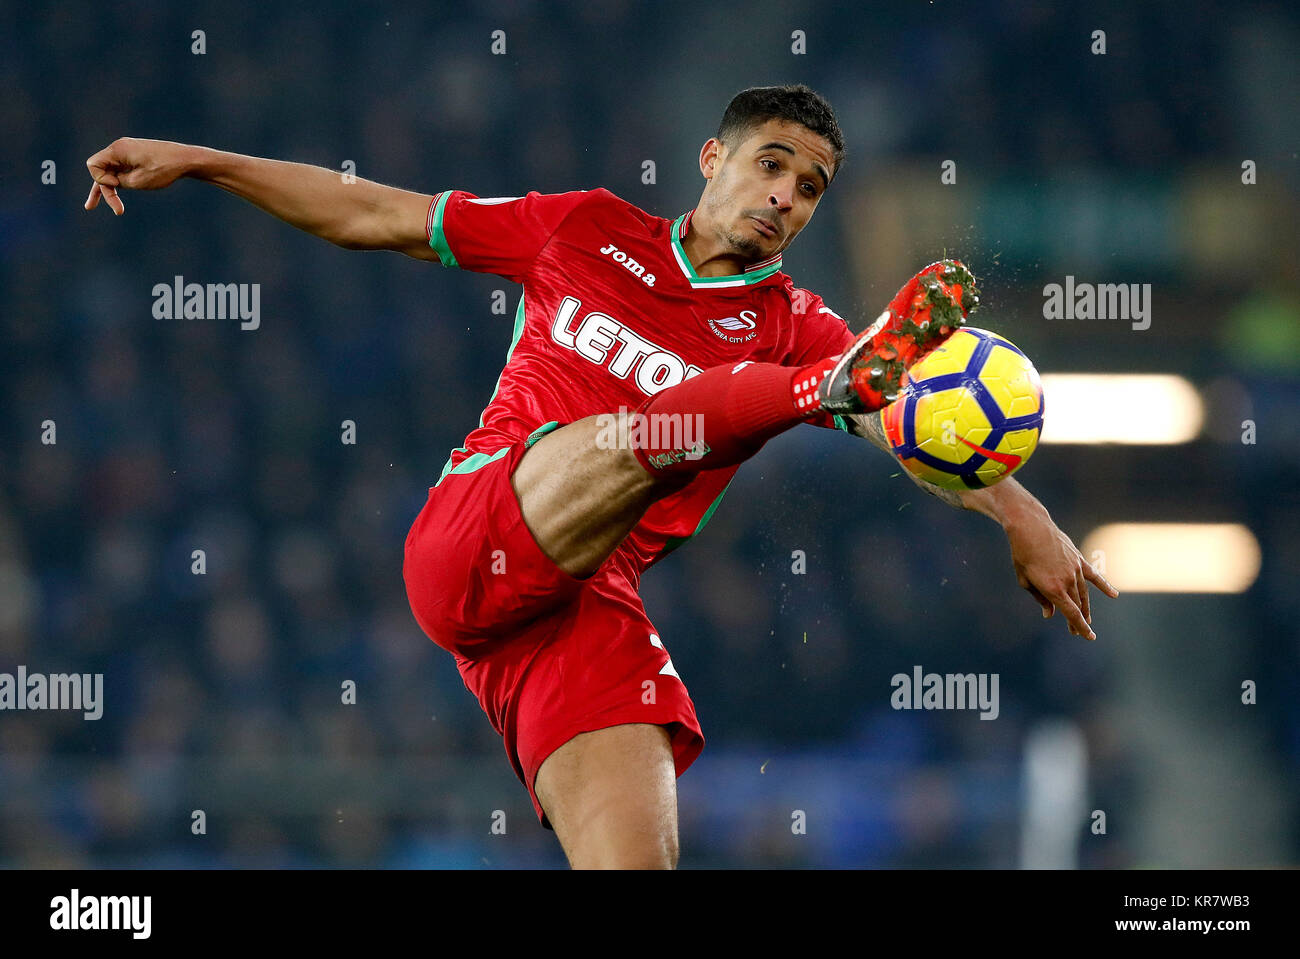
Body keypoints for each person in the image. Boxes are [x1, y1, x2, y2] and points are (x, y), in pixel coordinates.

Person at [85, 83, 1117, 870]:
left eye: (808, 190)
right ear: (711, 157)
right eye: (770, 166)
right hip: (477, 524)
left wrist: (1023, 515)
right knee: (646, 431)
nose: (784, 198)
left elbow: (914, 426)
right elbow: (379, 215)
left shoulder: (797, 323)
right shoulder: (582, 227)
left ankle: (826, 397)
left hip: (579, 605)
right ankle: (816, 401)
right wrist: (204, 158)